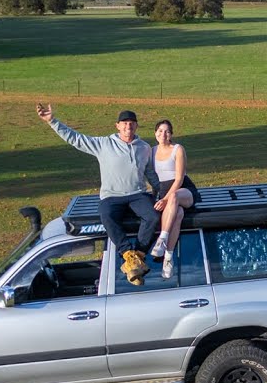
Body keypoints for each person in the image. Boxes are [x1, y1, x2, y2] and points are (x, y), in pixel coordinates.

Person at [36, 103, 159, 284]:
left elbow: (150, 174)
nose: (128, 126)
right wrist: (52, 121)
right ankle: (127, 253)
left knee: (153, 217)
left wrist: (164, 193)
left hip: (137, 194)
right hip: (112, 196)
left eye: (132, 123)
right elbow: (75, 138)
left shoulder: (144, 147)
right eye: (124, 123)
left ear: (136, 126)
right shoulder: (103, 144)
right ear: (117, 126)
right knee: (106, 216)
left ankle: (137, 257)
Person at [147, 119, 199, 279]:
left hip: (183, 190)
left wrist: (165, 200)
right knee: (178, 215)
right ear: (155, 133)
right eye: (160, 131)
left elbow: (179, 179)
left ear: (171, 134)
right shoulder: (151, 151)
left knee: (175, 197)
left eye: (167, 131)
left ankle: (161, 239)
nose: (163, 134)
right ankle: (168, 258)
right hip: (164, 192)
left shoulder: (178, 149)